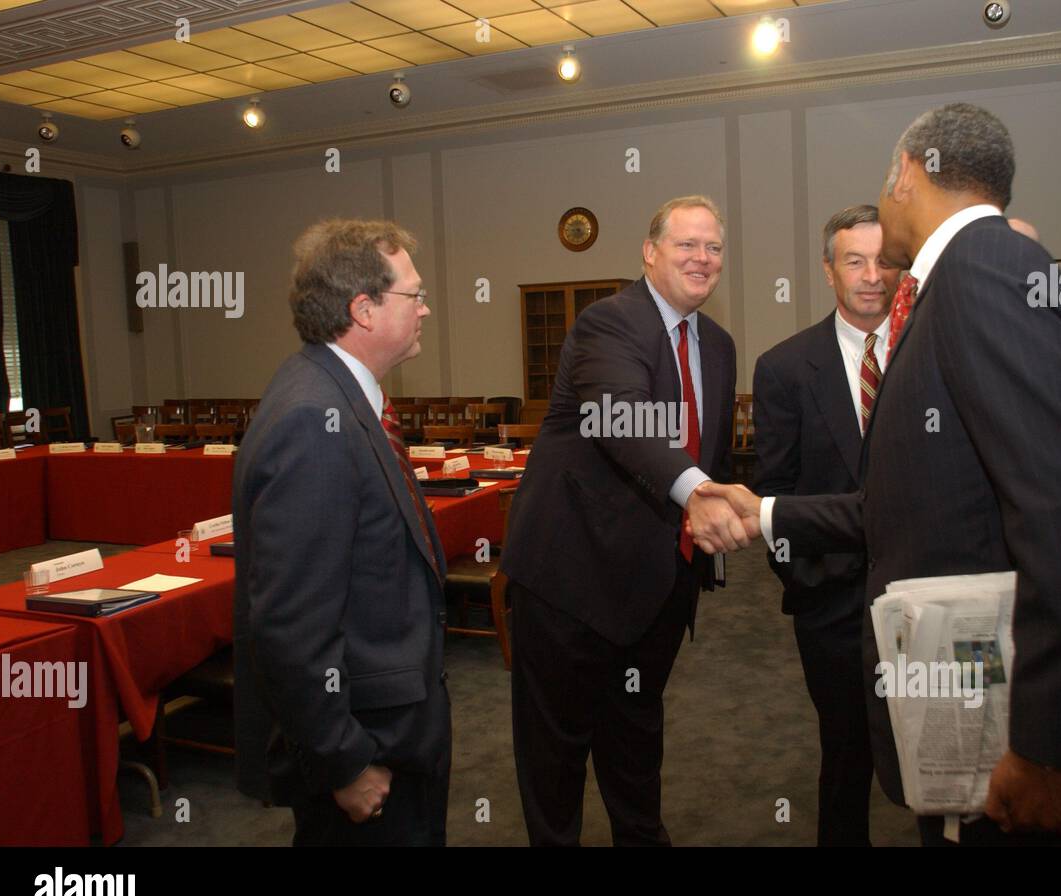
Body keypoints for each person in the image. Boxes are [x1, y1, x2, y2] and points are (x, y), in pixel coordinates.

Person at [695, 103, 1061, 845]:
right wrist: (765, 514)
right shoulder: (953, 286)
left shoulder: (986, 269)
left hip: (1012, 705)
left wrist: (1052, 746)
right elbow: (913, 500)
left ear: (908, 173)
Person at [501, 195, 741, 845]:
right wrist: (697, 494)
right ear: (650, 250)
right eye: (687, 244)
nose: (702, 258)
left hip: (659, 583)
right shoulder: (609, 322)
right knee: (556, 754)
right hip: (569, 582)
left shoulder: (718, 345)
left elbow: (711, 452)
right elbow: (622, 419)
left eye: (714, 247)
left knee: (636, 734)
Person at [232, 219, 450, 845]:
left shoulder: (341, 395)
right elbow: (291, 628)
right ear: (364, 308)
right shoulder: (312, 420)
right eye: (414, 294)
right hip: (365, 744)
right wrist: (343, 762)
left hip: (391, 721)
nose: (426, 308)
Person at [751, 204, 899, 845]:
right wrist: (807, 579)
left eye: (884, 260)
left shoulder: (935, 352)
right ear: (828, 271)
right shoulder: (784, 367)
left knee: (944, 754)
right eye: (855, 261)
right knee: (845, 754)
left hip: (926, 594)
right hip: (831, 603)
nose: (872, 276)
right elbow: (775, 492)